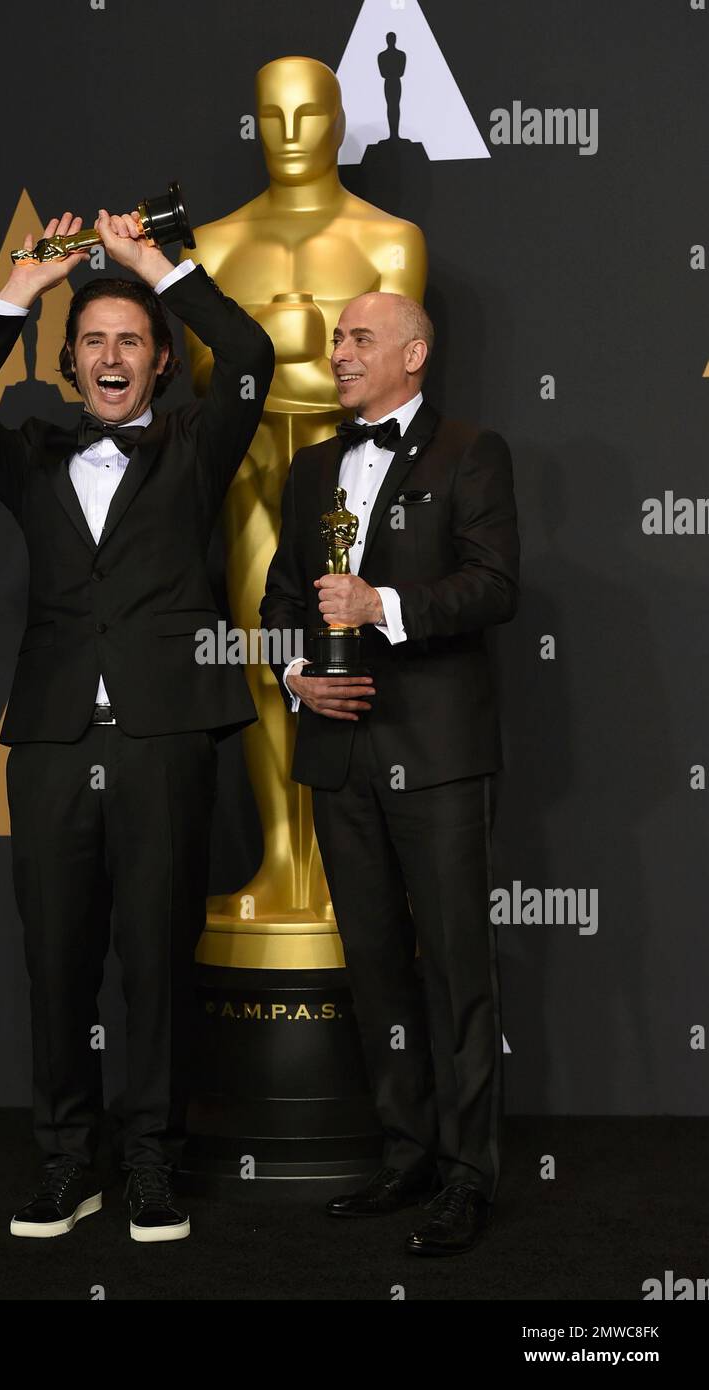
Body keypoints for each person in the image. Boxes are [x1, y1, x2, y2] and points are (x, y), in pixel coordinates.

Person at [0, 207, 274, 1243]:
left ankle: (152, 1166)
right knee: (57, 958)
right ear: (70, 364)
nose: (111, 355)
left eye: (129, 340)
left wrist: (154, 269)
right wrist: (14, 299)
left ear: (161, 362)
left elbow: (249, 354)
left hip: (165, 736)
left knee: (157, 960)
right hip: (52, 741)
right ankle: (66, 1164)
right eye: (93, 342)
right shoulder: (31, 455)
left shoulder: (197, 448)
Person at [261, 291, 519, 1255]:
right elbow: (280, 593)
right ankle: (406, 1154)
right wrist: (295, 678)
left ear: (414, 354)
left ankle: (468, 1175)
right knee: (373, 965)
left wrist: (384, 605)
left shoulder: (470, 451)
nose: (338, 352)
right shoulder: (312, 466)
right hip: (338, 751)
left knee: (456, 969)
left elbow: (495, 585)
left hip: (437, 753)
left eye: (359, 338)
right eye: (335, 338)